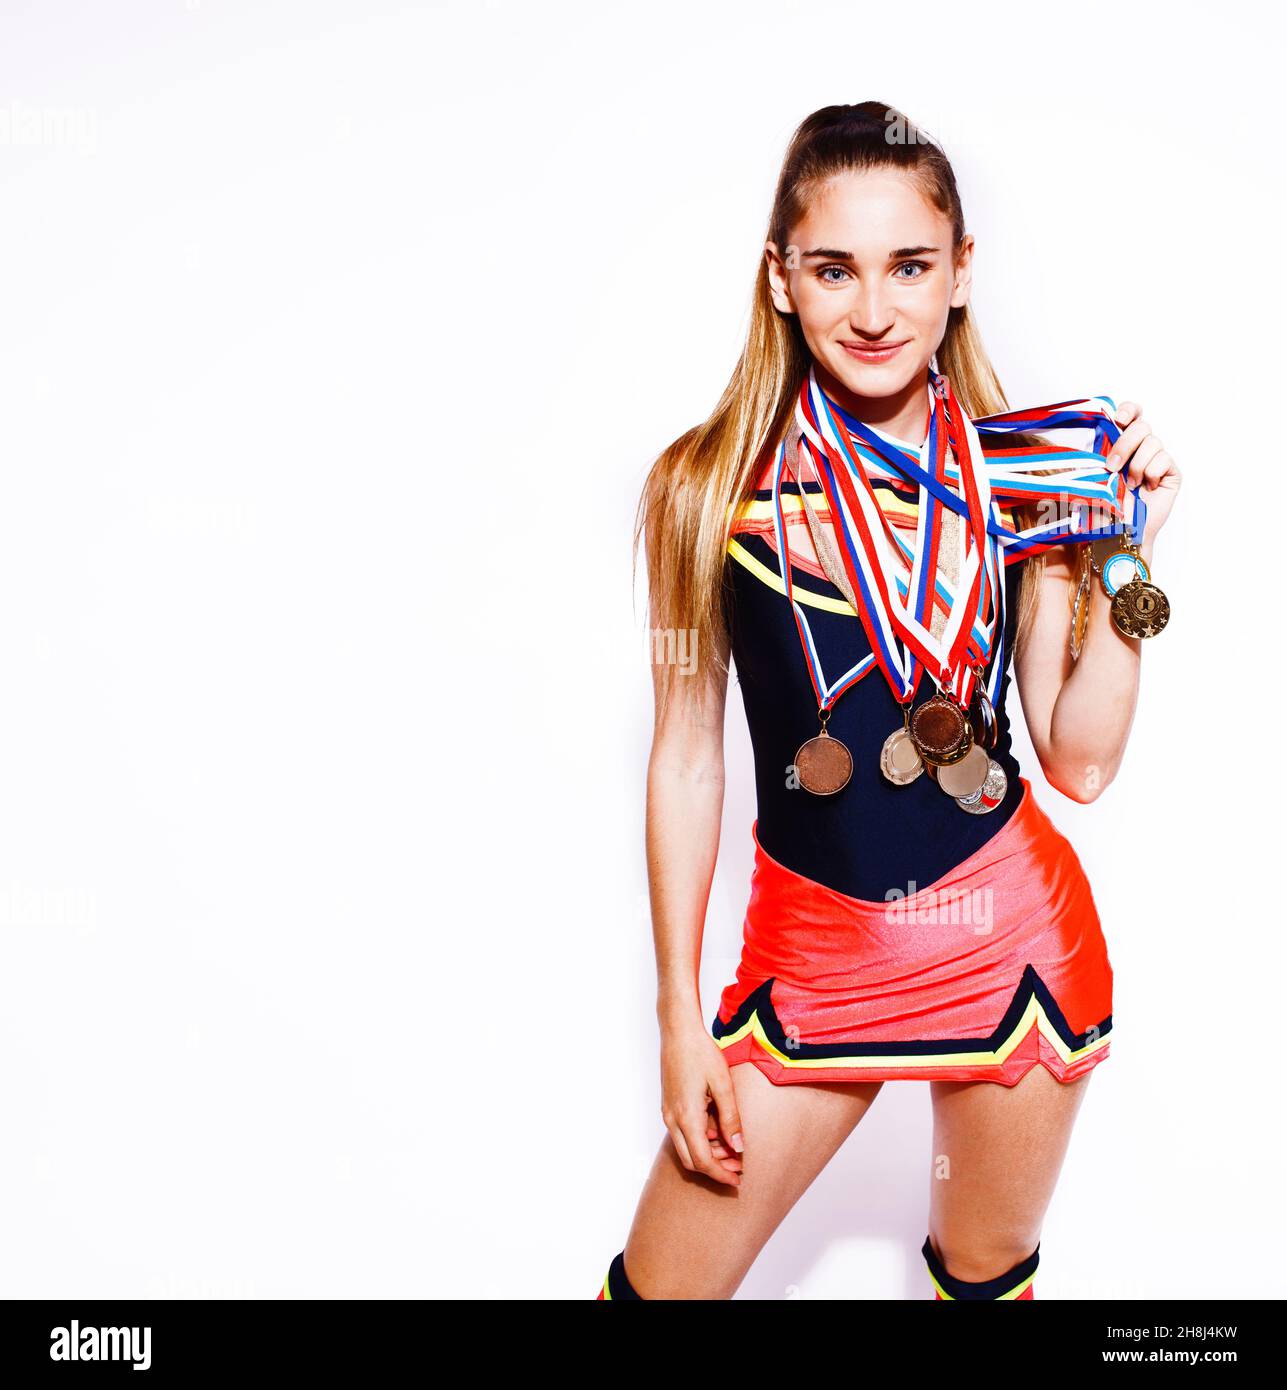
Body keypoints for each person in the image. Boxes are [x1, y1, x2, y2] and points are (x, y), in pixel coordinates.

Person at [598, 101, 1182, 1301]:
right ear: (780, 279)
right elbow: (686, 760)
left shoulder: (1021, 473)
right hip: (808, 951)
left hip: (1009, 945)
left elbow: (1079, 760)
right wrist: (677, 1018)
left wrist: (1127, 562)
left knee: (980, 1276)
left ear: (962, 272)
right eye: (834, 269)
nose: (873, 310)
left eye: (910, 266)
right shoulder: (701, 492)